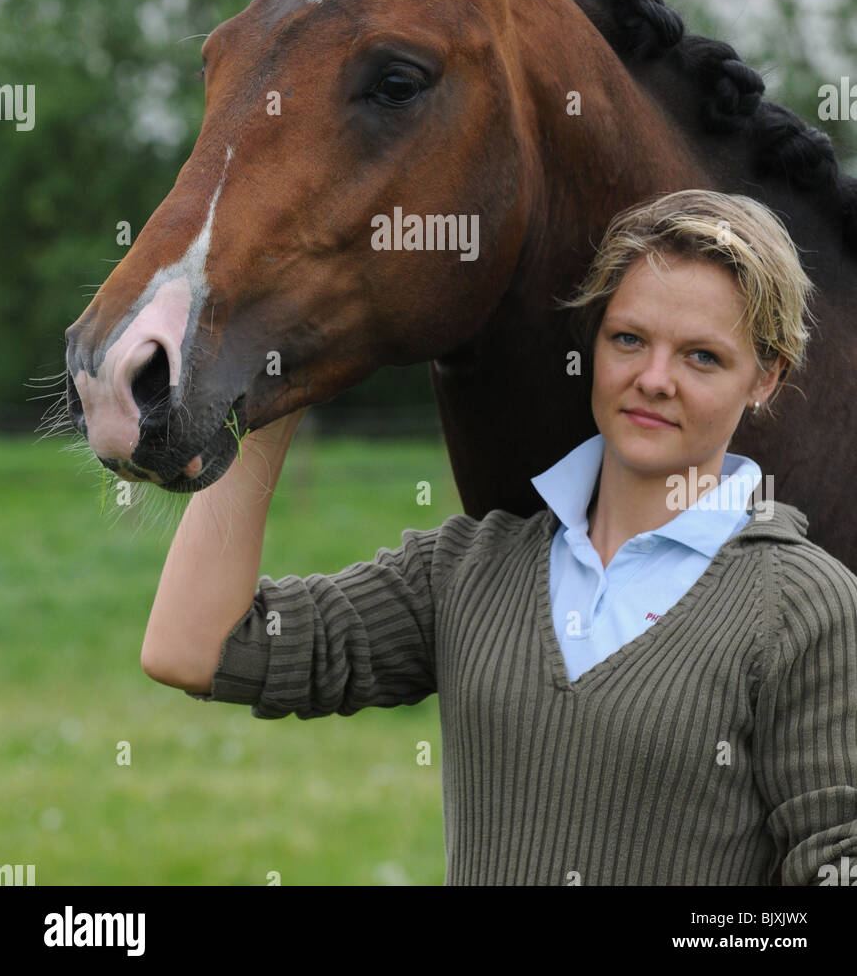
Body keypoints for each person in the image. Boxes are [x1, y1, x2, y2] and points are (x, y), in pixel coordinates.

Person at [141, 189, 857, 886]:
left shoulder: (803, 607)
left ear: (765, 377)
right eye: (628, 340)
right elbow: (193, 648)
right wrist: (270, 397)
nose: (653, 379)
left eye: (702, 356)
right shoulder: (465, 571)